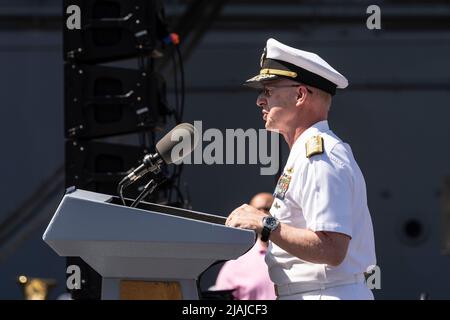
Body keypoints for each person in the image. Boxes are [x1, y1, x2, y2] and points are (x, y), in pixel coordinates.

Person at [225, 38, 376, 300]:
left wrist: (265, 222)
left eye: (269, 90)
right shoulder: (305, 153)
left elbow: (331, 249)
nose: (260, 101)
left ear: (300, 95)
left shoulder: (320, 155)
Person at [213, 193, 276, 300]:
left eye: (267, 209)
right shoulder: (235, 263)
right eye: (256, 210)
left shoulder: (294, 254)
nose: (262, 215)